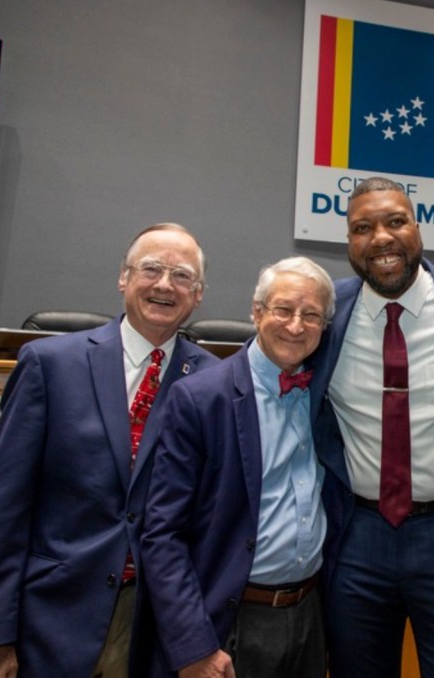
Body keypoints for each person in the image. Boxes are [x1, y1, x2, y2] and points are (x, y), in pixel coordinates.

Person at [0, 223, 218, 678]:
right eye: (151, 269)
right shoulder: (50, 365)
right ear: (123, 277)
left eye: (181, 276)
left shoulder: (215, 381)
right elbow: (3, 510)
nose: (164, 285)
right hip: (53, 618)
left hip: (158, 630)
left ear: (197, 296)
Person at [308, 176, 434, 676]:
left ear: (419, 228)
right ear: (348, 240)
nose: (381, 238)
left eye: (395, 221)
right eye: (362, 228)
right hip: (357, 535)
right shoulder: (325, 311)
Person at [138, 257, 333, 678]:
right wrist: (192, 644)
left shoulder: (324, 392)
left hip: (310, 614)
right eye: (283, 309)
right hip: (230, 619)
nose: (296, 326)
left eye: (311, 315)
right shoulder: (200, 398)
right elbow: (162, 533)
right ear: (257, 312)